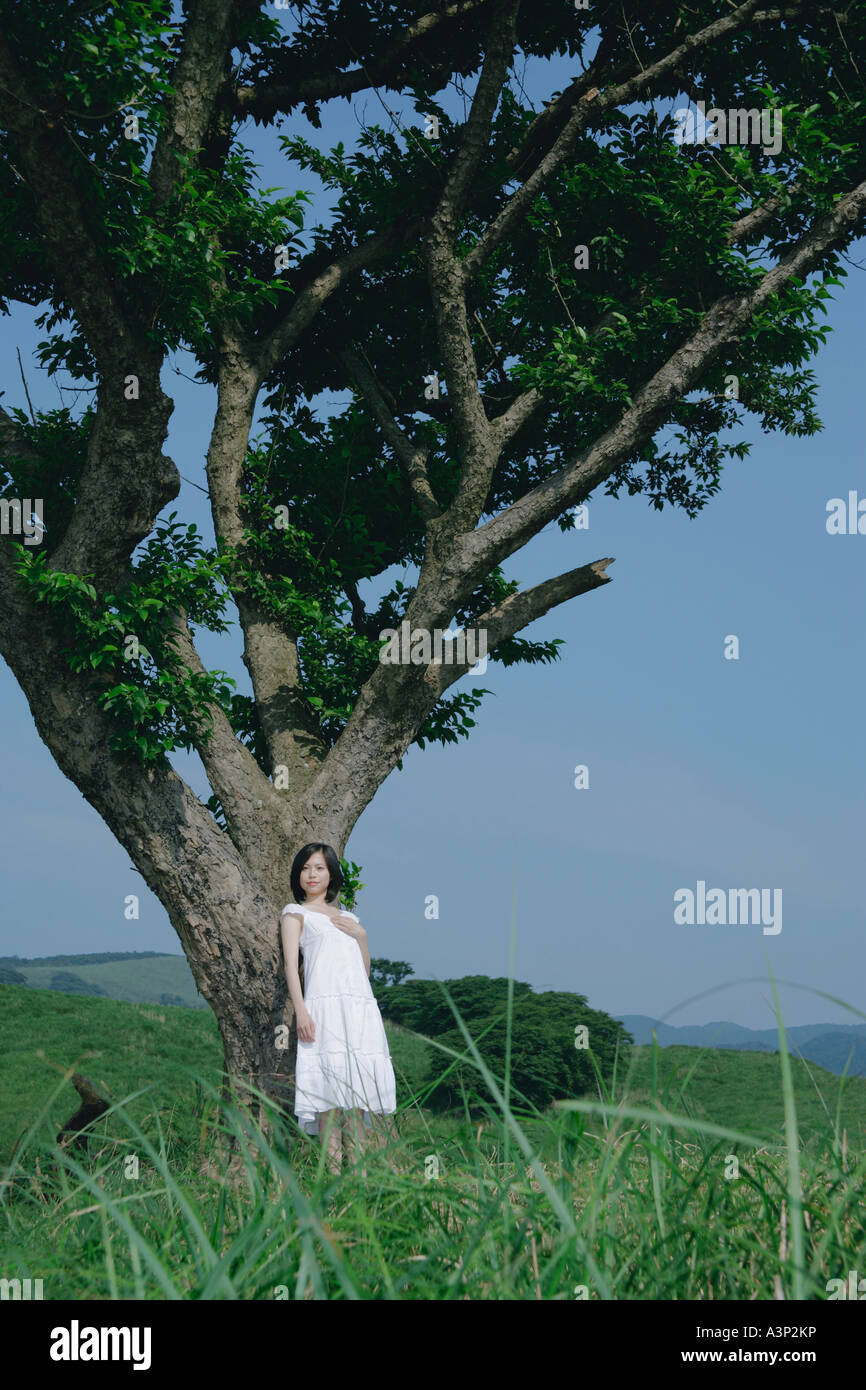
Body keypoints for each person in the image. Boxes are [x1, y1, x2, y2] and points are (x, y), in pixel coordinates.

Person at [279, 843, 397, 1173]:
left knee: (357, 1099)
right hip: (322, 1011)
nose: (311, 874)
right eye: (305, 868)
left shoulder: (348, 918)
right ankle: (331, 1179)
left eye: (319, 868)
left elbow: (363, 972)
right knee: (327, 1099)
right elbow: (291, 966)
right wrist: (300, 1010)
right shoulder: (295, 913)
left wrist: (361, 937)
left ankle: (358, 1182)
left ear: (331, 873)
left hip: (358, 1012)